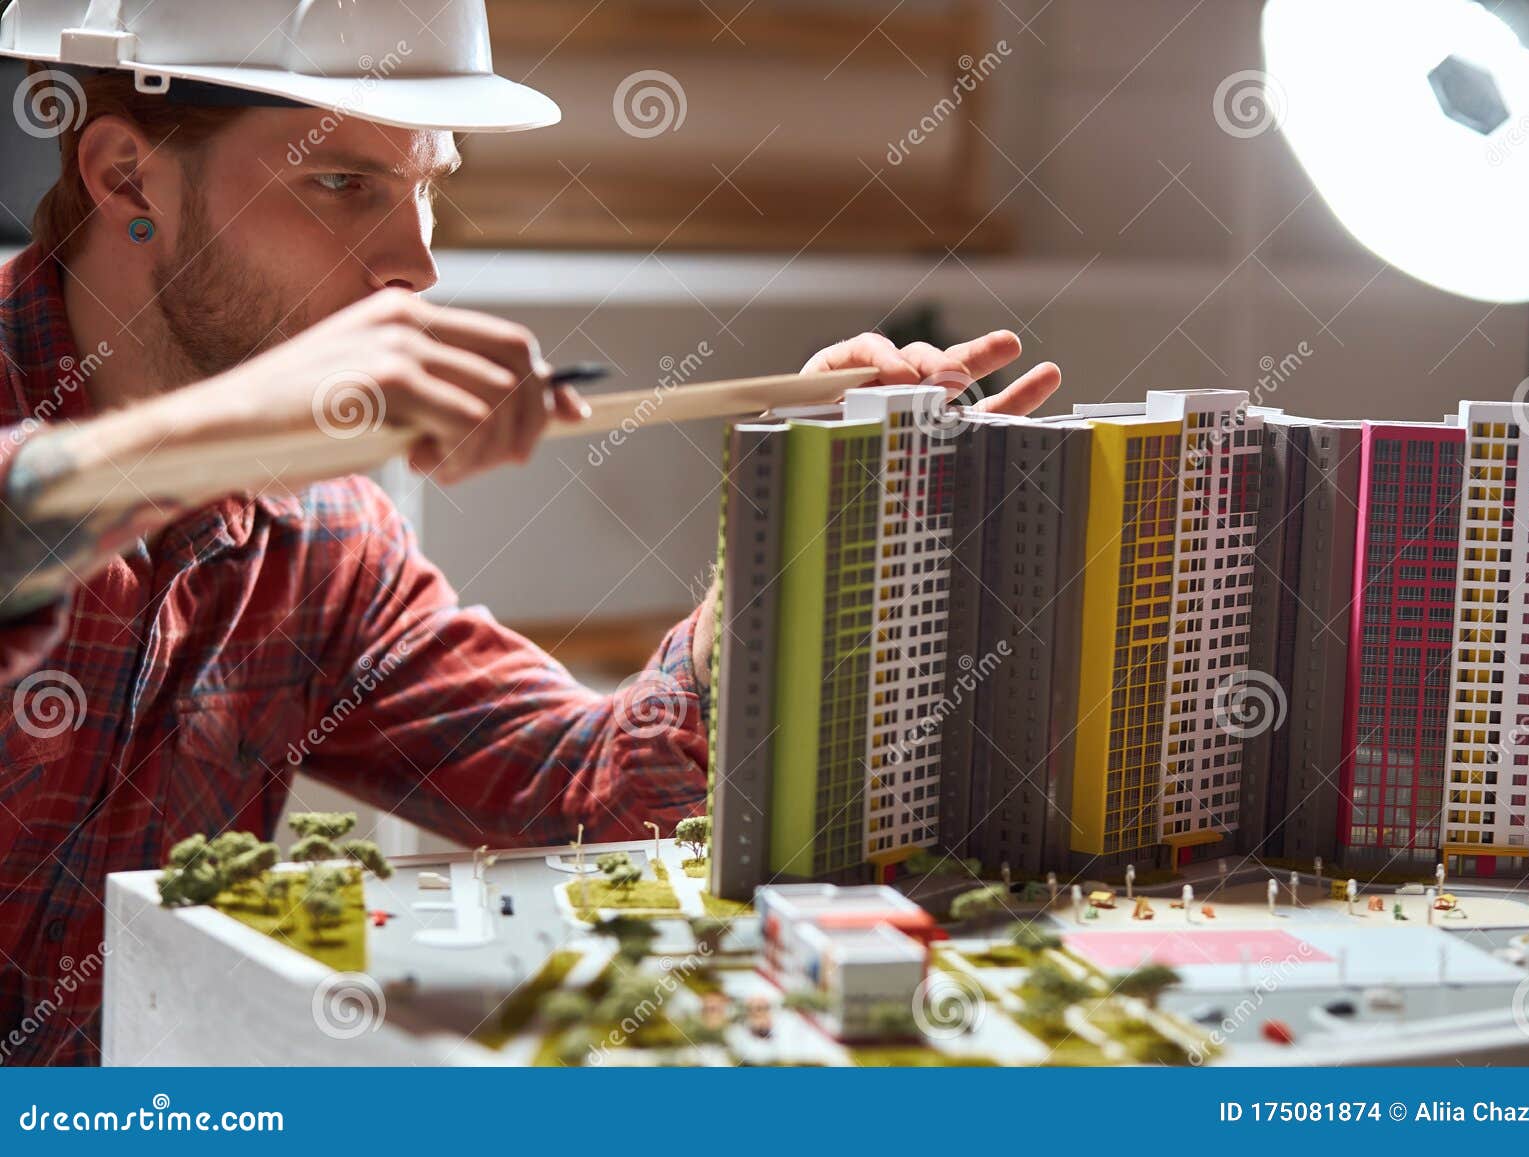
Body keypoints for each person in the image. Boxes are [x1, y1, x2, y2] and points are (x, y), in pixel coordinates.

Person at [0, 3, 1060, 1064]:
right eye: (342, 183)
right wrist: (203, 436)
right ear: (127, 176)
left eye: (426, 189)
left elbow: (586, 791)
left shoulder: (324, 541)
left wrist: (798, 535)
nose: (414, 266)